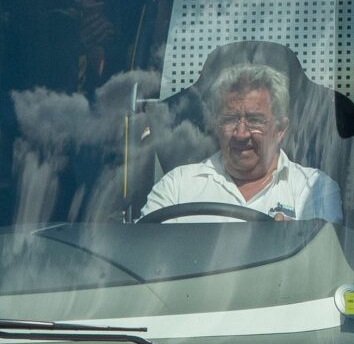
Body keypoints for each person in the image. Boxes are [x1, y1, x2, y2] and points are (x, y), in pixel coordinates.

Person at [140, 61, 342, 223]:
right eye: (230, 120)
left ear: (280, 130)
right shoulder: (177, 188)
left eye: (254, 120)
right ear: (216, 124)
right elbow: (146, 258)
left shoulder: (314, 191)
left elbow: (327, 268)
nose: (241, 134)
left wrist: (294, 242)